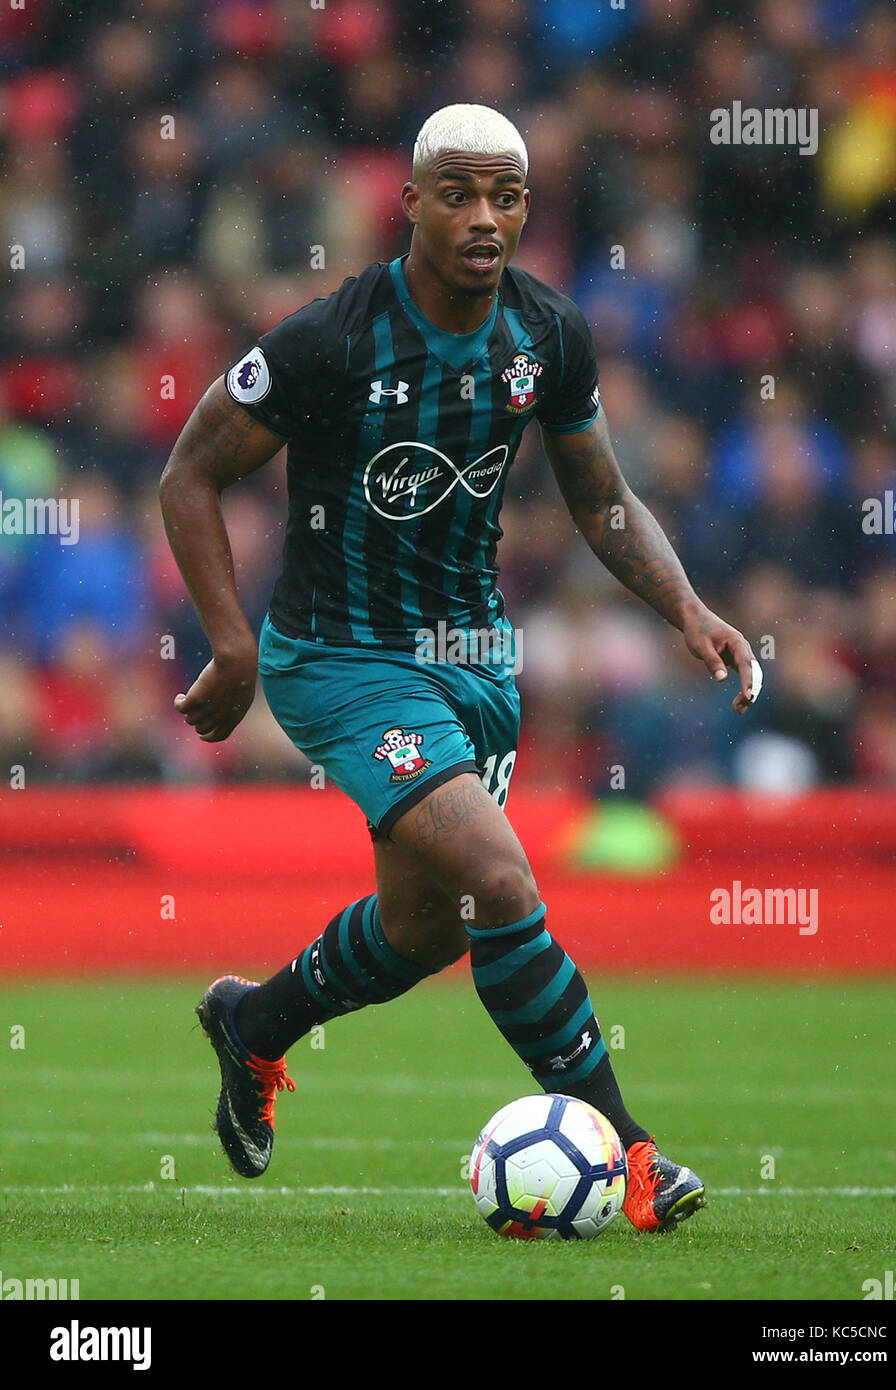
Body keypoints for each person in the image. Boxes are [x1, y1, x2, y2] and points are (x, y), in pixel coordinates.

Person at [159, 104, 757, 1233]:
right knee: (505, 881)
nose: (484, 218)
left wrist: (685, 603)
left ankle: (255, 1024)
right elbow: (188, 474)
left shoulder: (547, 335)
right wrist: (232, 643)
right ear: (414, 204)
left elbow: (601, 496)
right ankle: (631, 1156)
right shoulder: (328, 341)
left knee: (429, 926)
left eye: (506, 197)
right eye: (460, 195)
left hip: (473, 661)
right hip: (339, 659)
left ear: (526, 207)